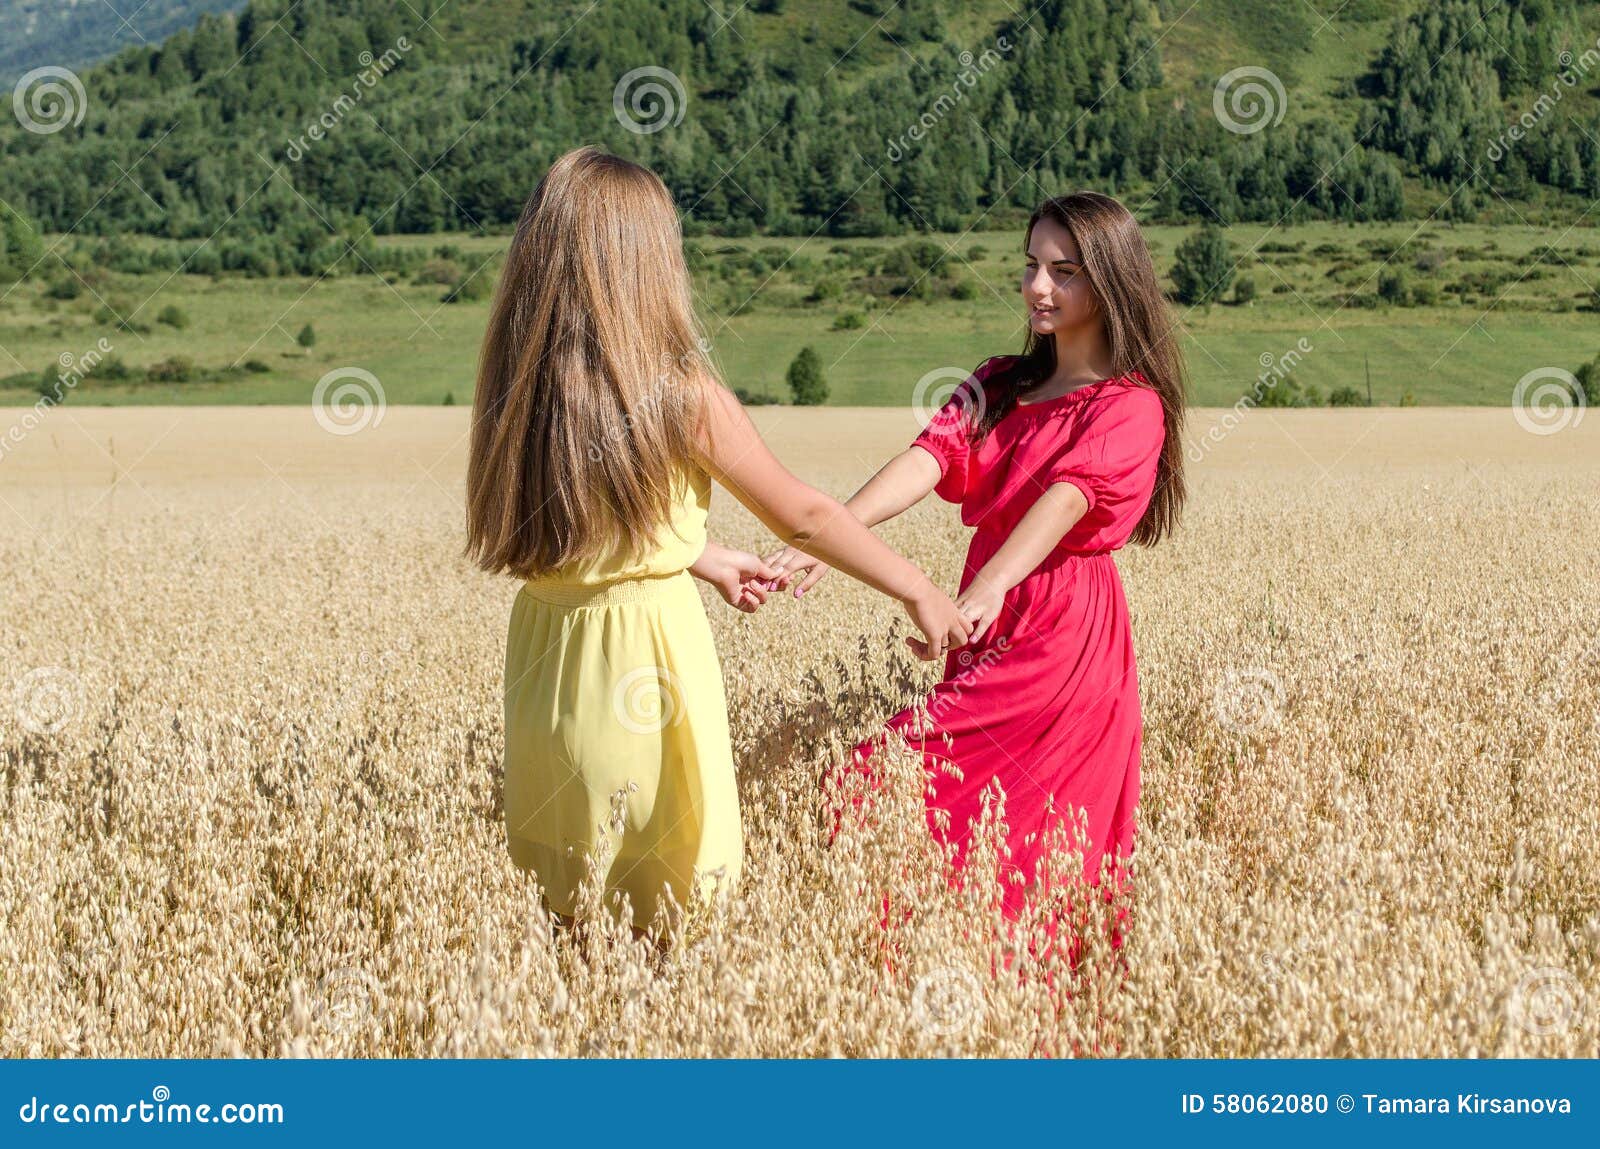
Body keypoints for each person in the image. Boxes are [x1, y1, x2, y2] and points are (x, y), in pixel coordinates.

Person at [464, 146, 970, 934]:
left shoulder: (521, 384)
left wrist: (694, 554)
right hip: (644, 659)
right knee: (672, 905)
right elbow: (800, 514)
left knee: (570, 898)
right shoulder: (681, 395)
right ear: (648, 262)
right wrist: (917, 586)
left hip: (546, 666)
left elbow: (578, 527)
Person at [768, 191, 1188, 936]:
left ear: (1112, 280)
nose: (1037, 287)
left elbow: (1066, 499)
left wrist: (989, 586)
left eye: (1065, 271)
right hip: (991, 625)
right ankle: (919, 988)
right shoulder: (998, 382)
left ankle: (1035, 1024)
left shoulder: (1130, 405)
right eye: (1031, 265)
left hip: (1066, 646)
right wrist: (832, 532)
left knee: (1031, 842)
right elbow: (927, 459)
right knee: (899, 800)